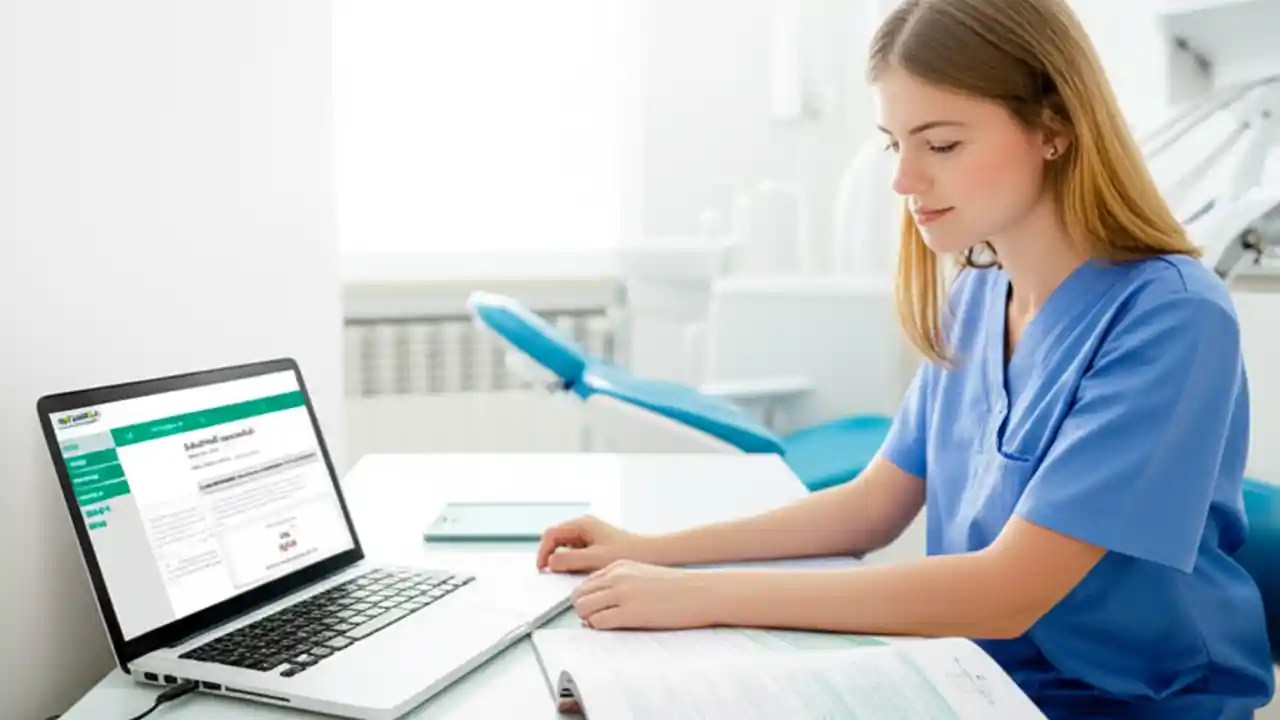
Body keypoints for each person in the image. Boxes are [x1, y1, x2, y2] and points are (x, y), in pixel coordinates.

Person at [536, 0, 1276, 716]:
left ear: (1053, 126)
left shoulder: (1171, 317)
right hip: (974, 680)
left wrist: (701, 597)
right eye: (895, 144)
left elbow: (1007, 593)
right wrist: (655, 552)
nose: (902, 180)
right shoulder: (978, 296)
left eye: (942, 144)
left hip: (1124, 708)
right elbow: (870, 507)